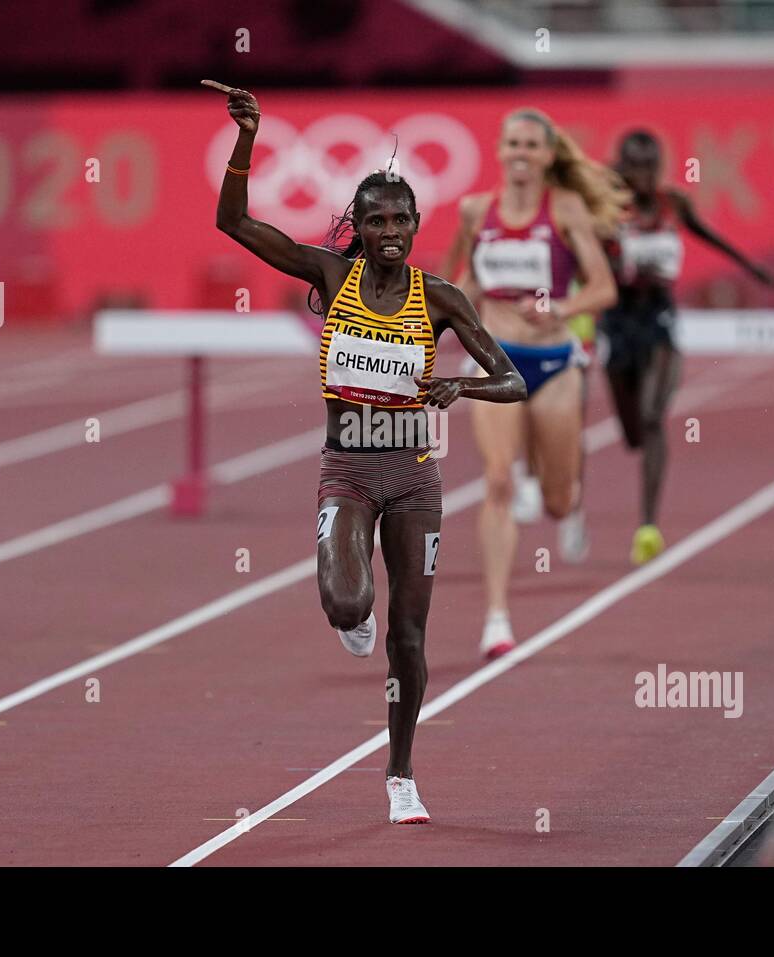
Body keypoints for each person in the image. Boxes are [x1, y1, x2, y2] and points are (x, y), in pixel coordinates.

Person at [205, 80, 526, 823]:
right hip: (347, 466)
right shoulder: (332, 273)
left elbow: (509, 378)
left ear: (417, 224)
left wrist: (458, 390)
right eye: (375, 218)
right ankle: (345, 594)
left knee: (409, 637)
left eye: (400, 219)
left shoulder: (439, 297)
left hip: (414, 476)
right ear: (358, 223)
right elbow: (232, 222)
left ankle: (401, 772)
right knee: (350, 604)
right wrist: (250, 138)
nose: (389, 229)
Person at [443, 108, 621, 660]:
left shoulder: (565, 210)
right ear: (500, 150)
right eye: (512, 142)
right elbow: (458, 282)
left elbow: (604, 288)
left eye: (531, 144)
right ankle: (497, 619)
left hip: (554, 364)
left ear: (547, 155)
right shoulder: (476, 211)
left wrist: (560, 307)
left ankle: (568, 496)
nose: (520, 152)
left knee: (558, 499)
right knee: (497, 480)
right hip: (496, 359)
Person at [601, 129, 774, 565]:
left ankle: (647, 526)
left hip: (657, 317)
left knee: (652, 416)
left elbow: (707, 234)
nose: (643, 175)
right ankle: (639, 443)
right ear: (621, 167)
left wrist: (750, 266)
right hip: (617, 319)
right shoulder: (606, 208)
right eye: (634, 166)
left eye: (650, 166)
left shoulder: (672, 204)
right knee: (631, 432)